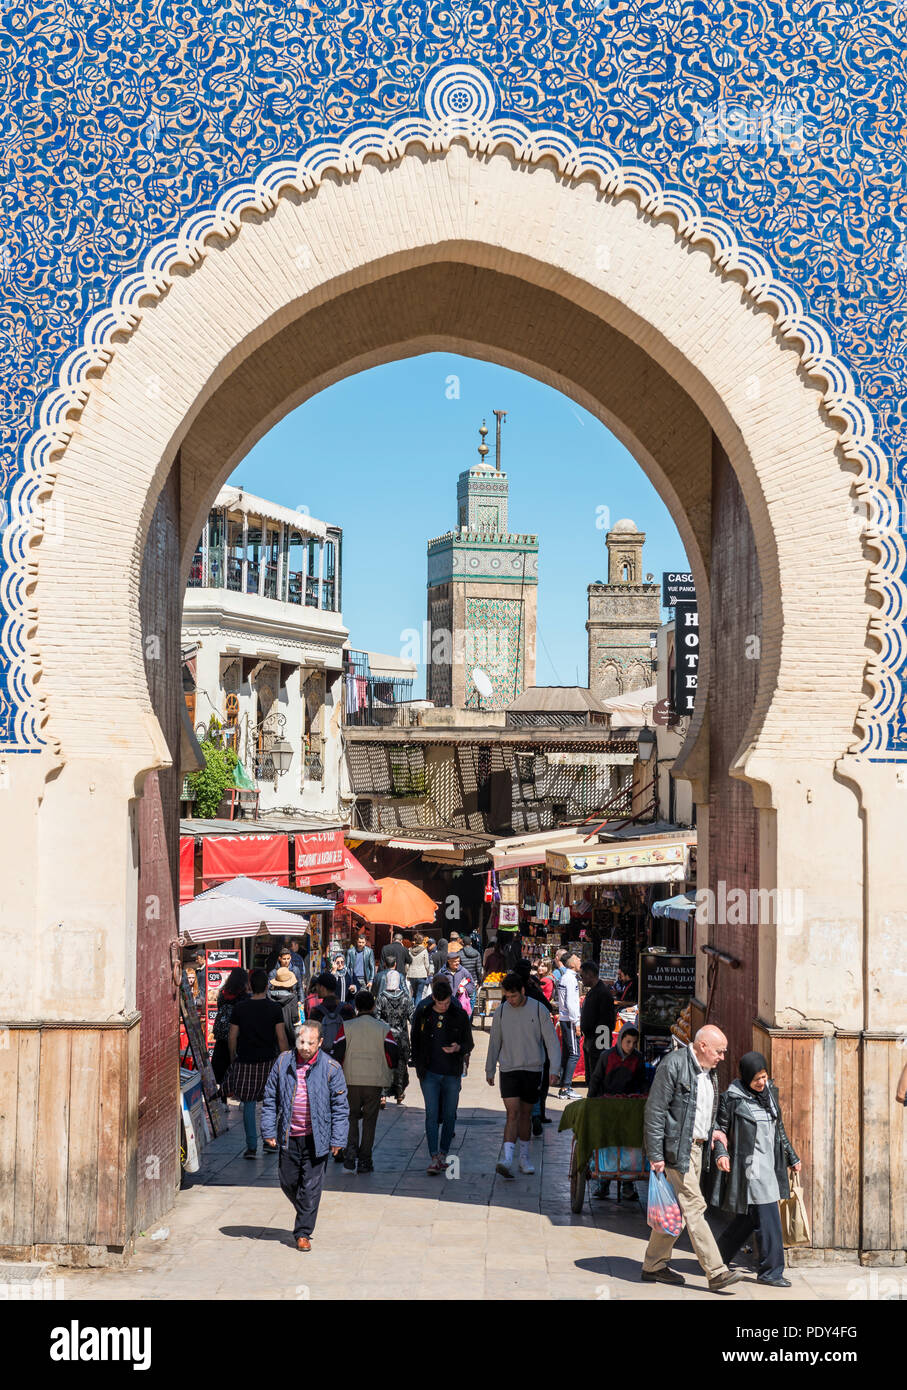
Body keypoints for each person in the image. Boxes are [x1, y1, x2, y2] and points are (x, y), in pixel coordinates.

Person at [641, 1024, 740, 1292]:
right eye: (719, 1051)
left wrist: (716, 1140)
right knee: (695, 1207)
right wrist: (656, 1154)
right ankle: (716, 1271)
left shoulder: (710, 1073)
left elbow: (706, 1116)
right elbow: (655, 1111)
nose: (722, 1056)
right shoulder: (673, 1065)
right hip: (677, 1151)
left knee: (678, 1211)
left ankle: (654, 1264)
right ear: (702, 1046)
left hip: (698, 1150)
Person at [709, 1051, 801, 1288]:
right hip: (750, 1168)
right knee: (769, 1216)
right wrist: (721, 1154)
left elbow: (779, 1129)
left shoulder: (769, 1094)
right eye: (756, 1078)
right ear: (747, 1077)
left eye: (764, 1076)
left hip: (770, 1165)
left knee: (749, 1218)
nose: (761, 1082)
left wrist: (791, 1156)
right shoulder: (732, 1098)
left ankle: (717, 1257)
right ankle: (771, 1271)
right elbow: (719, 1129)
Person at [260, 1019, 349, 1251]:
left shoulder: (331, 1068)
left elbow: (340, 1107)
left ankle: (303, 1232)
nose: (305, 1047)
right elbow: (270, 1098)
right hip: (289, 1136)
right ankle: (306, 1208)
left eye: (311, 1043)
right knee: (287, 1181)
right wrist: (269, 1129)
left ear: (320, 1042)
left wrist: (338, 1139)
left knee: (311, 1186)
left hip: (316, 1139)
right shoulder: (283, 1063)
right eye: (302, 1042)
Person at [486, 971, 560, 1180]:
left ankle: (524, 1158)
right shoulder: (501, 1012)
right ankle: (507, 1159)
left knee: (526, 1114)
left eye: (513, 996)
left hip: (533, 1069)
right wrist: (490, 1068)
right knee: (512, 1113)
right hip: (508, 1069)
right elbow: (494, 1042)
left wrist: (554, 1069)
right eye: (507, 996)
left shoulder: (539, 1010)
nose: (510, 1000)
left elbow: (552, 1042)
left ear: (522, 991)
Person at [411, 978, 474, 1175]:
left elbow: (469, 1043)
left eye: (446, 1002)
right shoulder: (423, 1013)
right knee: (431, 1114)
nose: (443, 1007)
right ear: (433, 999)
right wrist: (419, 1065)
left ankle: (444, 1152)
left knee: (449, 1114)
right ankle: (434, 1155)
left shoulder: (459, 1015)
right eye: (440, 1004)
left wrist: (458, 1048)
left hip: (452, 1073)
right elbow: (415, 1039)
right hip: (429, 1073)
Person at [227, 968, 290, 1158]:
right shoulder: (274, 1009)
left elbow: (232, 1036)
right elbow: (281, 1038)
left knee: (248, 1103)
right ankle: (270, 1141)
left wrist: (233, 1057)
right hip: (268, 1061)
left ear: (250, 986)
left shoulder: (240, 1008)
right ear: (267, 986)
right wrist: (286, 1060)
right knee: (270, 1103)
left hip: (245, 1060)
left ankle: (252, 1146)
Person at [340, 991, 399, 1174]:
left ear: (356, 1007)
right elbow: (393, 1055)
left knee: (350, 1117)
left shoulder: (346, 1026)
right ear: (373, 1006)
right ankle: (365, 1160)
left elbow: (338, 1052)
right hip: (374, 1081)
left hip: (350, 1079)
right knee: (369, 1121)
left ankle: (350, 1151)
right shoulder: (383, 1028)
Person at [589, 1025, 649, 1200]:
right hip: (606, 1105)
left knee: (629, 1141)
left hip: (629, 1105)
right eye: (628, 1041)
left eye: (634, 1043)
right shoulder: (606, 1056)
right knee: (606, 1140)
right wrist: (591, 1101)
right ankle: (603, 1181)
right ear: (620, 1039)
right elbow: (596, 1079)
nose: (630, 1046)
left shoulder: (638, 1059)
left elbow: (642, 1082)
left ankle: (628, 1183)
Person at [514, 959, 556, 1135]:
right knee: (538, 1079)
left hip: (516, 1042)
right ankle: (538, 1113)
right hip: (536, 1040)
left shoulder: (512, 992)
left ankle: (521, 1115)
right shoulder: (533, 989)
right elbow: (547, 1007)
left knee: (519, 1081)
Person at [375, 967, 414, 1104]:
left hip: (386, 1037)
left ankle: (383, 1095)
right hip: (402, 1038)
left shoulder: (381, 998)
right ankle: (399, 1093)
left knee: (384, 1065)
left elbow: (376, 1017)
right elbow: (412, 1017)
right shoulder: (405, 998)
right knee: (401, 1066)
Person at [211, 966, 249, 1091]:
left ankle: (223, 1101)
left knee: (221, 1070)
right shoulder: (244, 997)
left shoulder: (222, 993)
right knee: (236, 1069)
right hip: (238, 1037)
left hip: (222, 1039)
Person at [579, 960, 616, 1087]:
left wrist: (599, 1045)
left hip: (598, 1040)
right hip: (591, 1039)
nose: (581, 979)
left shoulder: (603, 993)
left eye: (582, 975)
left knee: (597, 1076)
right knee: (591, 1077)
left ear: (590, 974)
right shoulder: (594, 991)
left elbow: (607, 1021)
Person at [307, 972, 355, 1065]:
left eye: (317, 986)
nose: (316, 989)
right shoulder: (347, 1009)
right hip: (344, 1059)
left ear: (322, 987)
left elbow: (311, 1037)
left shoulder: (316, 1011)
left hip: (323, 1059)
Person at [556, 954, 582, 1099]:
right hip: (570, 1020)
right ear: (571, 963)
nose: (580, 961)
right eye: (578, 959)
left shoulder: (566, 977)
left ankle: (564, 1087)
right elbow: (571, 1003)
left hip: (566, 1019)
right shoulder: (570, 979)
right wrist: (577, 1023)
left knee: (567, 1053)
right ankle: (566, 1087)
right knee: (574, 1053)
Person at [267, 965, 302, 1038]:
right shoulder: (293, 998)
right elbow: (295, 1018)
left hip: (271, 1035)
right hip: (287, 1035)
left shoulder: (269, 997)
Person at [437, 947, 473, 1014]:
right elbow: (437, 985)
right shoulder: (442, 972)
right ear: (449, 961)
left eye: (458, 961)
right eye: (455, 961)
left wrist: (465, 989)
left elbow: (471, 982)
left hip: (459, 1002)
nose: (457, 963)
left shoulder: (463, 971)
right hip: (446, 1002)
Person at [457, 933, 483, 1011]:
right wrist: (479, 981)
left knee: (462, 1001)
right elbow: (479, 969)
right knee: (471, 1001)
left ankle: (465, 1020)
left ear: (463, 943)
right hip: (473, 981)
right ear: (471, 943)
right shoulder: (477, 953)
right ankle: (468, 1020)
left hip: (462, 982)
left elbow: (457, 969)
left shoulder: (459, 954)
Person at [406, 933, 431, 1007]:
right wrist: (429, 972)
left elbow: (407, 964)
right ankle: (416, 1011)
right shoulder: (424, 950)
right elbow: (427, 964)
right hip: (421, 974)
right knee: (419, 994)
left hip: (411, 974)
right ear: (422, 940)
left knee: (414, 993)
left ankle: (411, 1010)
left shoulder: (409, 950)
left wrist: (407, 972)